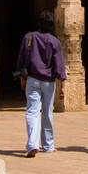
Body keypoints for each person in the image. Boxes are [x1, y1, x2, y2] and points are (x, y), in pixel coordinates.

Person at [15, 10, 66, 157]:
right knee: (47, 113)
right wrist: (63, 86)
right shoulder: (54, 41)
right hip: (49, 83)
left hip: (33, 79)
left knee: (32, 111)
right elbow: (59, 65)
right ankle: (48, 145)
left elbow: (22, 59)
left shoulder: (29, 37)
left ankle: (32, 144)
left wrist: (22, 78)